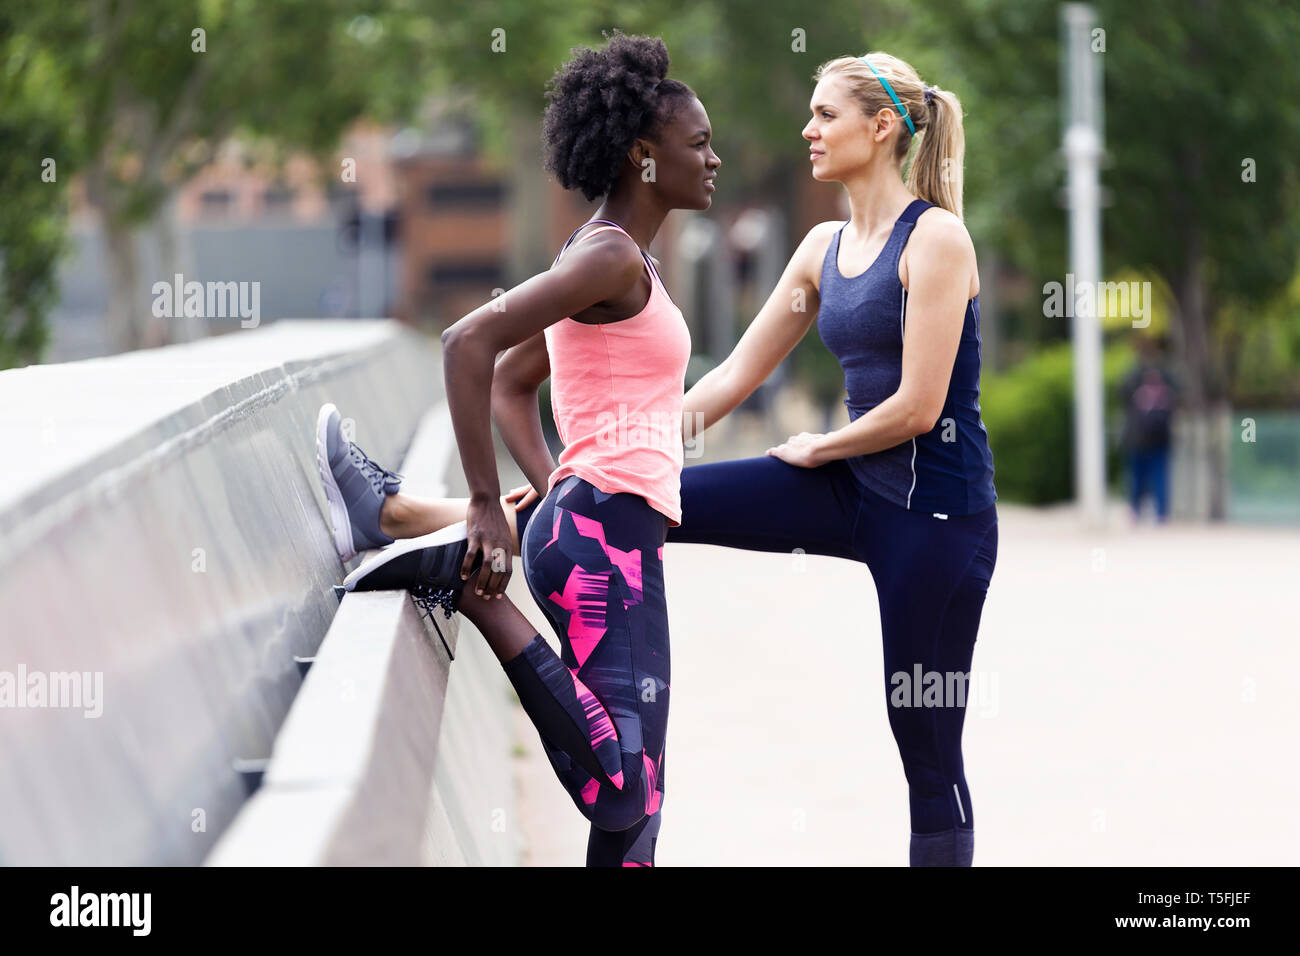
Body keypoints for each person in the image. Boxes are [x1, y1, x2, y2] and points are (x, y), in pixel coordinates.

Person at [332, 50, 995, 867]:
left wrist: (820, 444)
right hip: (848, 486)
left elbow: (920, 407)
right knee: (639, 498)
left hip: (934, 515)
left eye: (826, 114)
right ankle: (415, 517)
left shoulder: (937, 239)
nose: (809, 129)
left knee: (925, 747)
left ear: (883, 125)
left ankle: (415, 518)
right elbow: (733, 378)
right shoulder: (821, 248)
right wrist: (630, 441)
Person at [317, 32, 717, 867]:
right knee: (623, 788)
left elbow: (512, 383)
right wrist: (482, 503)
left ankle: (412, 528)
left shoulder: (619, 261)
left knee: (641, 805)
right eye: (698, 144)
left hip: (611, 530)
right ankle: (470, 589)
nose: (713, 160)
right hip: (605, 540)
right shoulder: (607, 256)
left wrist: (554, 483)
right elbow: (470, 343)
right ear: (643, 156)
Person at [1119, 333, 1177, 522]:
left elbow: (1122, 395)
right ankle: (1160, 513)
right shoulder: (1165, 374)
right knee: (1156, 475)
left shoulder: (1133, 374)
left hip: (1141, 435)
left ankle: (1138, 510)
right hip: (1157, 434)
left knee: (1139, 476)